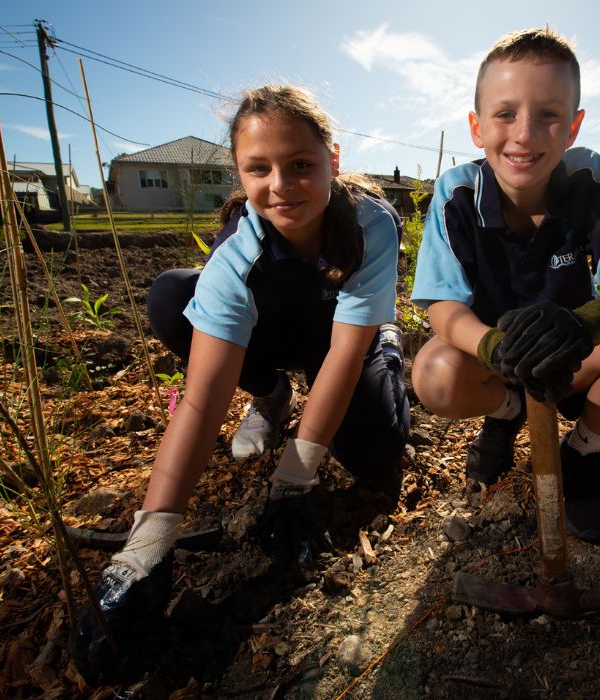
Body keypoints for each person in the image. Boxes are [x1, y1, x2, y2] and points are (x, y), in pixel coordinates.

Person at [74, 84, 410, 679]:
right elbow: (202, 397)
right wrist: (149, 543)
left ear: (333, 161)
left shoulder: (369, 225)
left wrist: (295, 477)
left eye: (301, 165)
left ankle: (391, 351)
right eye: (259, 169)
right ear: (240, 172)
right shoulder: (240, 252)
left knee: (376, 454)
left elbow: (340, 353)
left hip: (347, 338)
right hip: (281, 330)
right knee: (174, 297)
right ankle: (272, 393)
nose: (280, 185)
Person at [410, 28, 600, 547]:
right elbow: (442, 305)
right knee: (434, 375)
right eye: (505, 113)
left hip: (571, 356)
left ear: (573, 126)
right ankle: (506, 413)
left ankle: (582, 450)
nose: (525, 134)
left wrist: (587, 323)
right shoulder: (457, 194)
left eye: (549, 115)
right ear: (476, 126)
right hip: (494, 360)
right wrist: (495, 345)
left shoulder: (587, 178)